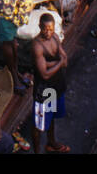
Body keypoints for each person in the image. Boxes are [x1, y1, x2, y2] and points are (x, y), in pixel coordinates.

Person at [27, 13, 69, 153]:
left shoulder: (55, 37)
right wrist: (59, 63)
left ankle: (51, 142)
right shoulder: (37, 46)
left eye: (51, 29)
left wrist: (51, 63)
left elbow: (65, 59)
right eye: (45, 29)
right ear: (39, 27)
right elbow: (44, 74)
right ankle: (37, 151)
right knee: (38, 124)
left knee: (51, 116)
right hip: (45, 90)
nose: (48, 32)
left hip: (56, 87)